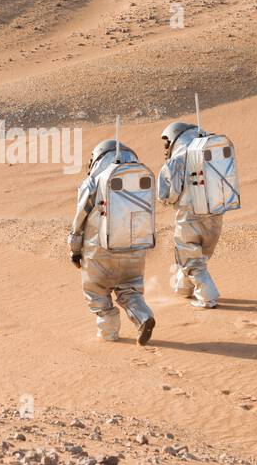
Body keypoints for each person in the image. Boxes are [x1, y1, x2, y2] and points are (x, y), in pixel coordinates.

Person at [69, 139, 157, 345]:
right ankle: (143, 317)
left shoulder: (93, 181)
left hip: (98, 249)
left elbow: (80, 217)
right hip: (134, 248)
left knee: (96, 292)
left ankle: (108, 333)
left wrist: (74, 249)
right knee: (130, 289)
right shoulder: (140, 177)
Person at [158, 121, 222, 309]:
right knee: (196, 256)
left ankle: (207, 298)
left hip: (189, 216)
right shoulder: (210, 151)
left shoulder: (177, 159)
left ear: (175, 138)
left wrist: (167, 199)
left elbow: (168, 194)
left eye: (166, 142)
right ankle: (184, 288)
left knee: (191, 259)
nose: (166, 147)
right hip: (215, 214)